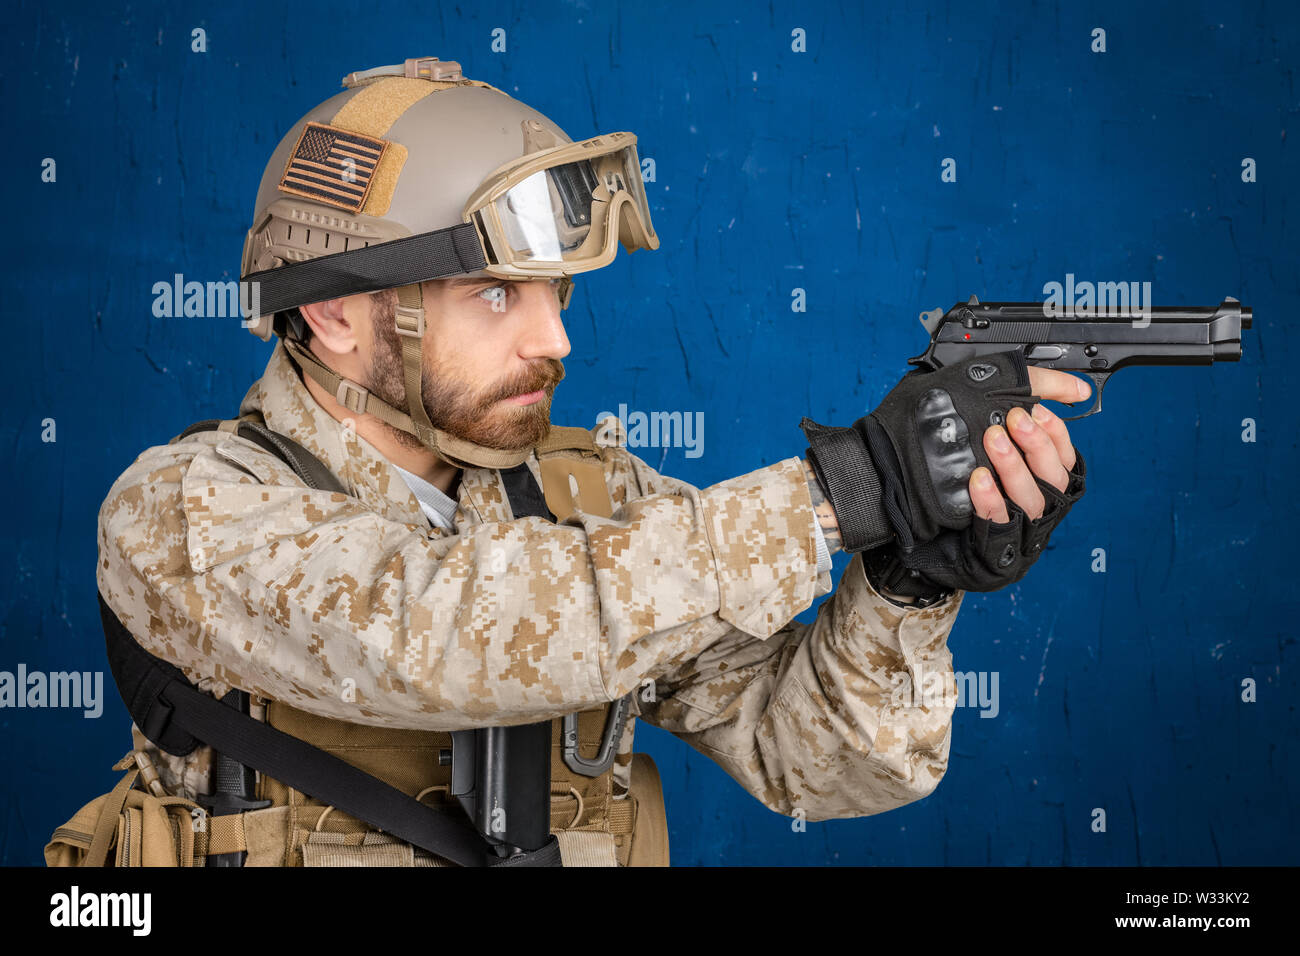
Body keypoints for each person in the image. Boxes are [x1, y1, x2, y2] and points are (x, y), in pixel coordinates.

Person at [76, 57, 1087, 868]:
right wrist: (838, 494)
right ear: (335, 310)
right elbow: (439, 632)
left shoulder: (594, 503)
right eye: (497, 295)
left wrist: (905, 580)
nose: (555, 340)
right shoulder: (186, 512)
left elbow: (818, 763)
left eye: (558, 294)